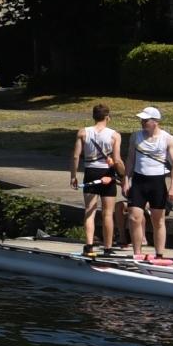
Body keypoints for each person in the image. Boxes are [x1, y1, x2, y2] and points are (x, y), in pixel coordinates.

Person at [125, 105, 173, 265]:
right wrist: (125, 180)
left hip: (157, 182)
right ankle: (137, 253)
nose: (142, 122)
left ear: (155, 121)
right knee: (134, 217)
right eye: (141, 119)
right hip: (138, 181)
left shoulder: (168, 138)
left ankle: (159, 254)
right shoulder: (135, 136)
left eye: (145, 120)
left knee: (158, 221)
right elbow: (130, 159)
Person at [72, 102, 124, 260]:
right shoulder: (115, 135)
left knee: (90, 211)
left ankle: (89, 246)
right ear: (108, 117)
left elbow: (75, 156)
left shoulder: (83, 132)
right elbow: (117, 160)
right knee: (108, 214)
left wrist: (73, 176)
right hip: (107, 174)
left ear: (94, 117)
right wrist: (123, 175)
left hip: (90, 172)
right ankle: (107, 248)